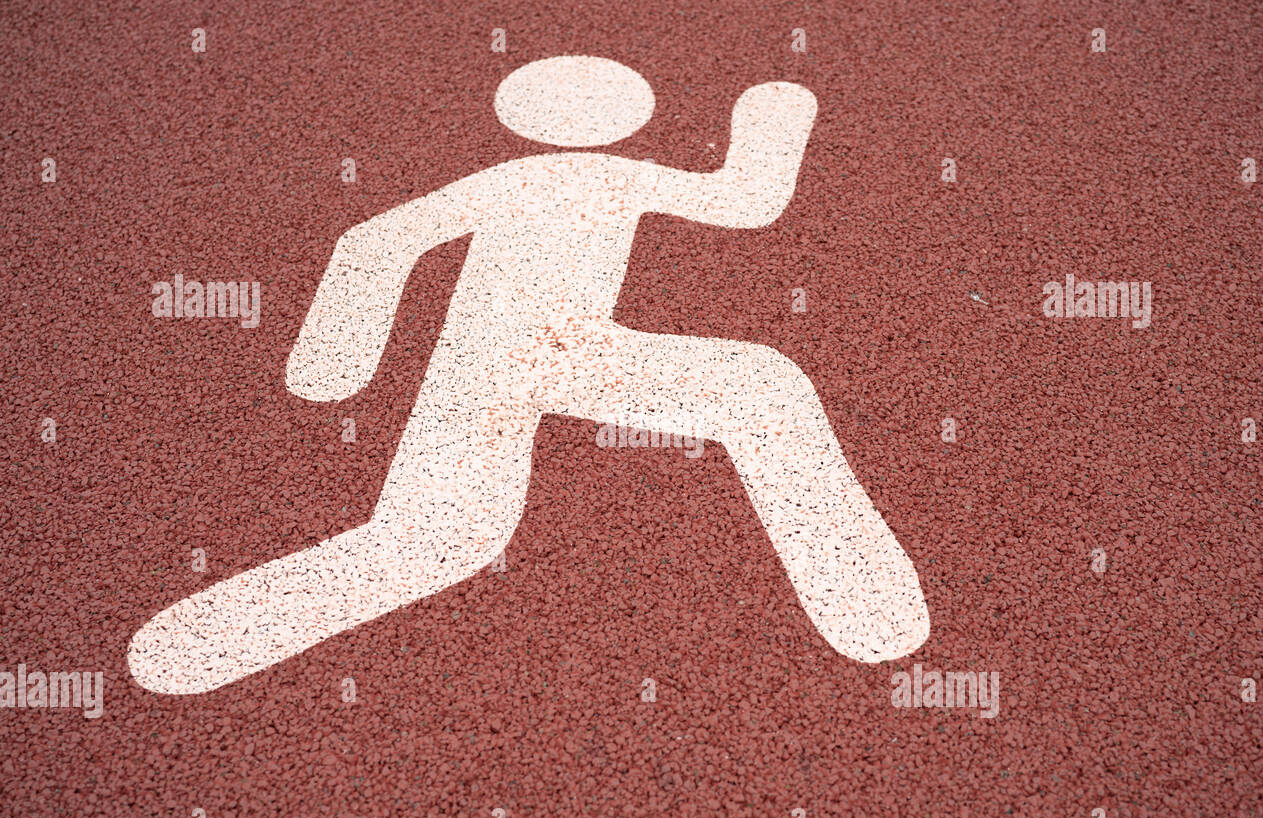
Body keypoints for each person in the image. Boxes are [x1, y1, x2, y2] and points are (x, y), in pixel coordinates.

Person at [129, 56, 929, 695]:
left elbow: (374, 243)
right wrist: (771, 120)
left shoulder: (509, 179)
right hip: (556, 347)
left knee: (435, 534)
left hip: (478, 359)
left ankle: (204, 639)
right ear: (628, 118)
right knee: (761, 386)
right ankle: (864, 599)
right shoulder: (618, 174)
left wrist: (339, 359)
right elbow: (746, 198)